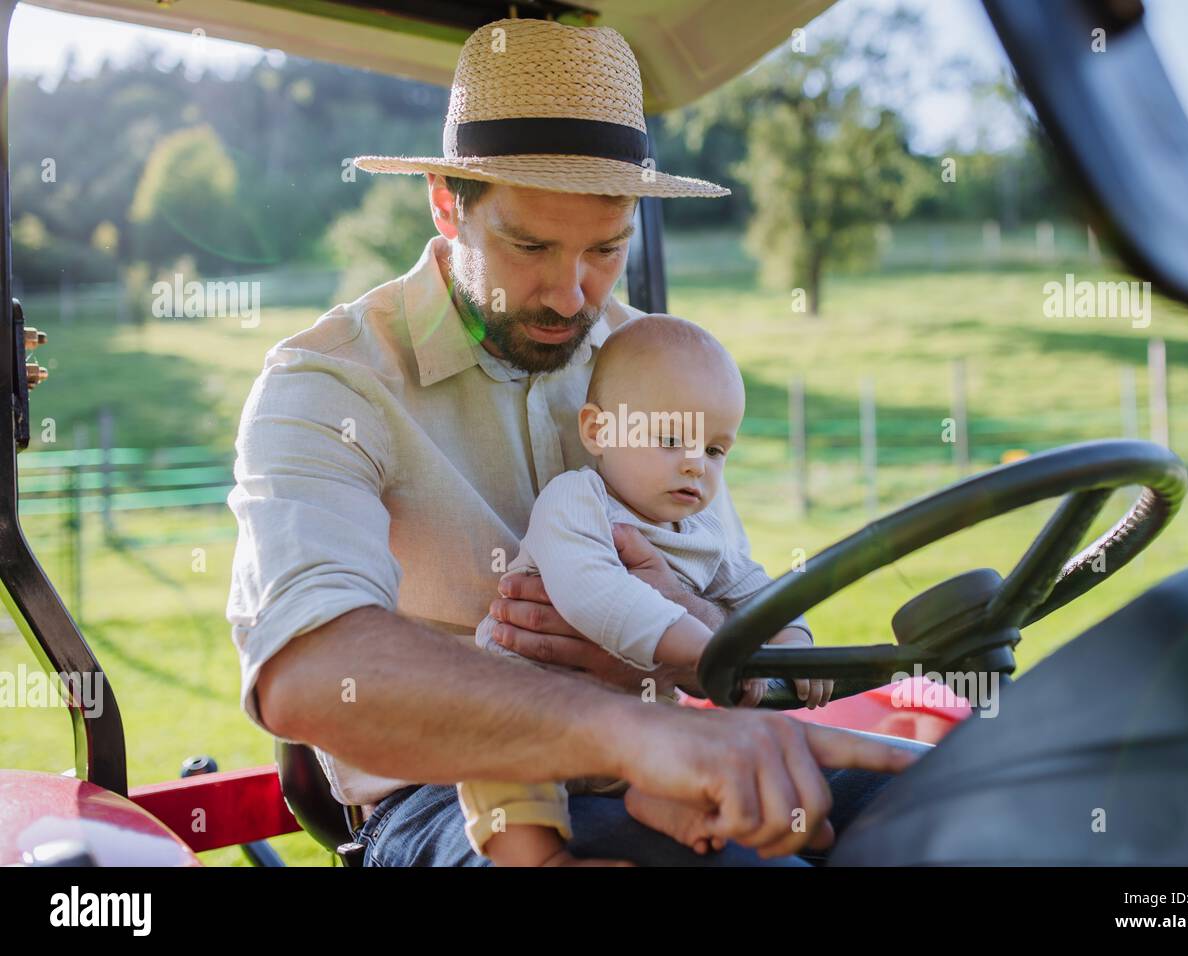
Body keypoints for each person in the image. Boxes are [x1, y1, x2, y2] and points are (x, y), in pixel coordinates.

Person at [226, 16, 910, 868]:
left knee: (964, 796)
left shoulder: (650, 361)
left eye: (606, 249)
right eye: (529, 245)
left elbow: (735, 603)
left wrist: (682, 640)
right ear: (447, 203)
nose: (567, 293)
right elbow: (309, 670)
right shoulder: (327, 384)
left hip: (679, 741)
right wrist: (622, 728)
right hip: (455, 798)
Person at [458, 315, 836, 866]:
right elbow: (596, 594)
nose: (694, 463)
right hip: (528, 713)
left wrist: (794, 641)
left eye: (715, 450)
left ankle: (664, 798)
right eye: (670, 439)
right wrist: (710, 651)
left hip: (630, 732)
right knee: (496, 750)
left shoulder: (701, 531)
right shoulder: (576, 501)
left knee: (691, 741)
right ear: (597, 431)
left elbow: (756, 591)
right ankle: (540, 858)